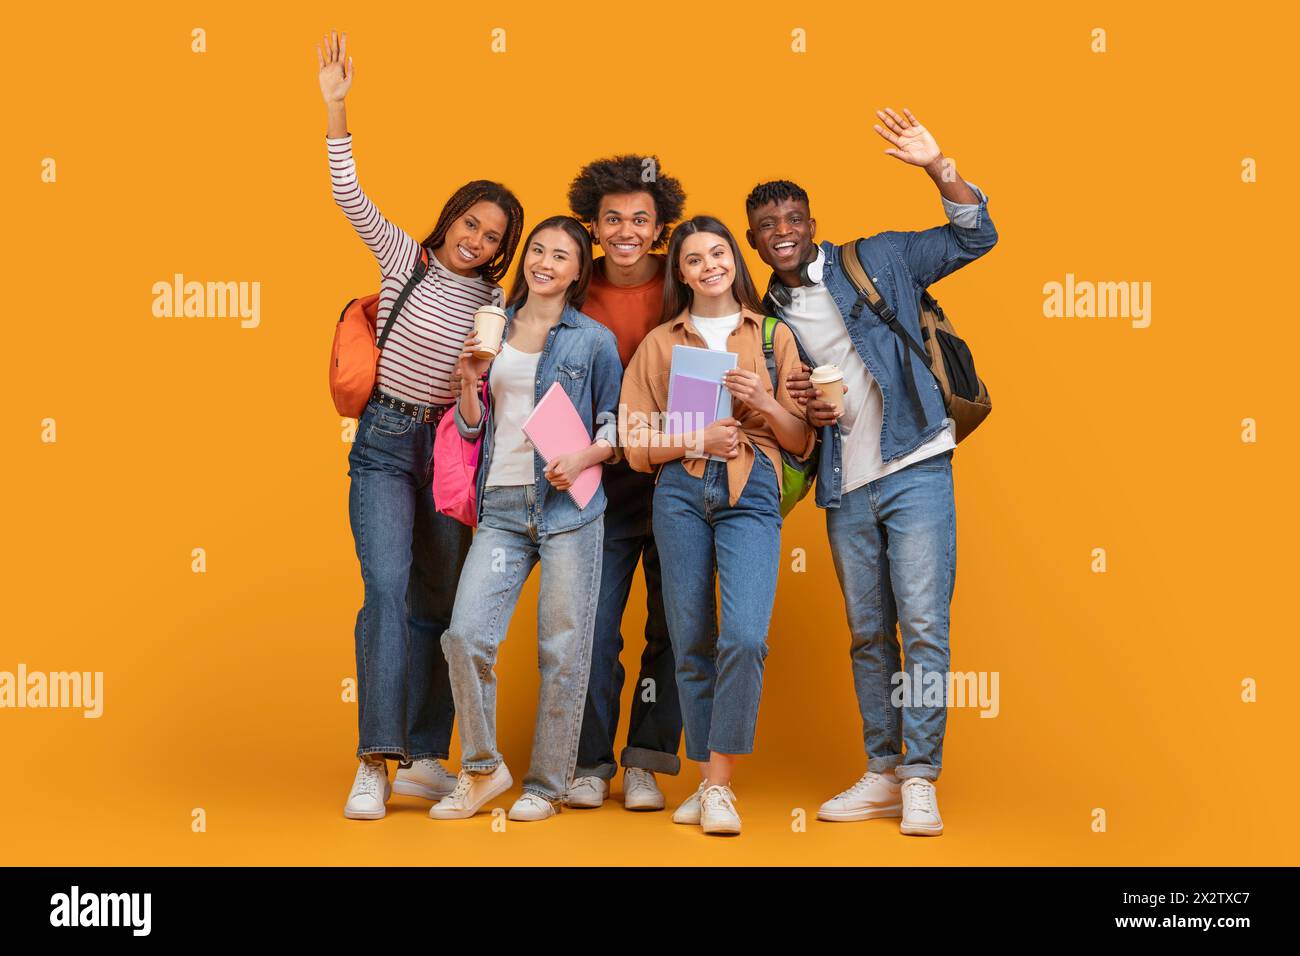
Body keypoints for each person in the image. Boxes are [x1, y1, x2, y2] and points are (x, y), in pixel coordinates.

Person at [744, 107, 998, 836]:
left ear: (812, 224)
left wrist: (937, 166)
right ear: (756, 237)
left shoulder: (878, 257)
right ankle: (882, 771)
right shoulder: (765, 316)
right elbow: (785, 416)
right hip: (844, 484)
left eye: (794, 217)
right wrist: (798, 408)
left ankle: (920, 775)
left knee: (921, 623)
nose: (783, 230)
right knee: (866, 633)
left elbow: (975, 234)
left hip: (916, 461)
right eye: (768, 223)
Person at [318, 30, 525, 820]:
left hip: (448, 450)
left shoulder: (491, 307)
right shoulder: (406, 260)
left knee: (439, 599)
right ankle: (376, 755)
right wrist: (338, 111)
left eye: (492, 238)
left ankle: (430, 756)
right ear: (450, 221)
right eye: (470, 225)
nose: (476, 242)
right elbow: (349, 196)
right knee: (385, 588)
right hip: (380, 444)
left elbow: (507, 378)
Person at [620, 216, 815, 835]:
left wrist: (762, 402)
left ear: (736, 259)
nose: (710, 266)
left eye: (719, 253)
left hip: (751, 484)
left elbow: (802, 440)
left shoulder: (772, 336)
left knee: (745, 638)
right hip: (677, 491)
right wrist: (693, 437)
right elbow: (632, 442)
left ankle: (716, 786)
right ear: (680, 272)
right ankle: (713, 784)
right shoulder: (658, 343)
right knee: (689, 639)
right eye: (695, 258)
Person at [432, 216, 623, 823]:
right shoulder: (492, 325)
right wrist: (468, 382)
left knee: (562, 650)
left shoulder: (592, 340)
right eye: (537, 250)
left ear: (577, 270)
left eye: (559, 256)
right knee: (465, 636)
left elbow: (614, 427)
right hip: (502, 507)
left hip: (570, 508)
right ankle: (484, 768)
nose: (544, 262)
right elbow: (470, 427)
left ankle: (548, 783)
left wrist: (585, 455)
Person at [562, 155, 688, 812]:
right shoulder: (573, 287)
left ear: (660, 224)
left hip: (673, 475)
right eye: (613, 218)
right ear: (593, 223)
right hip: (595, 483)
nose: (626, 230)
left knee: (672, 624)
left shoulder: (684, 281)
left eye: (640, 218)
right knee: (591, 624)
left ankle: (646, 761)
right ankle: (588, 761)